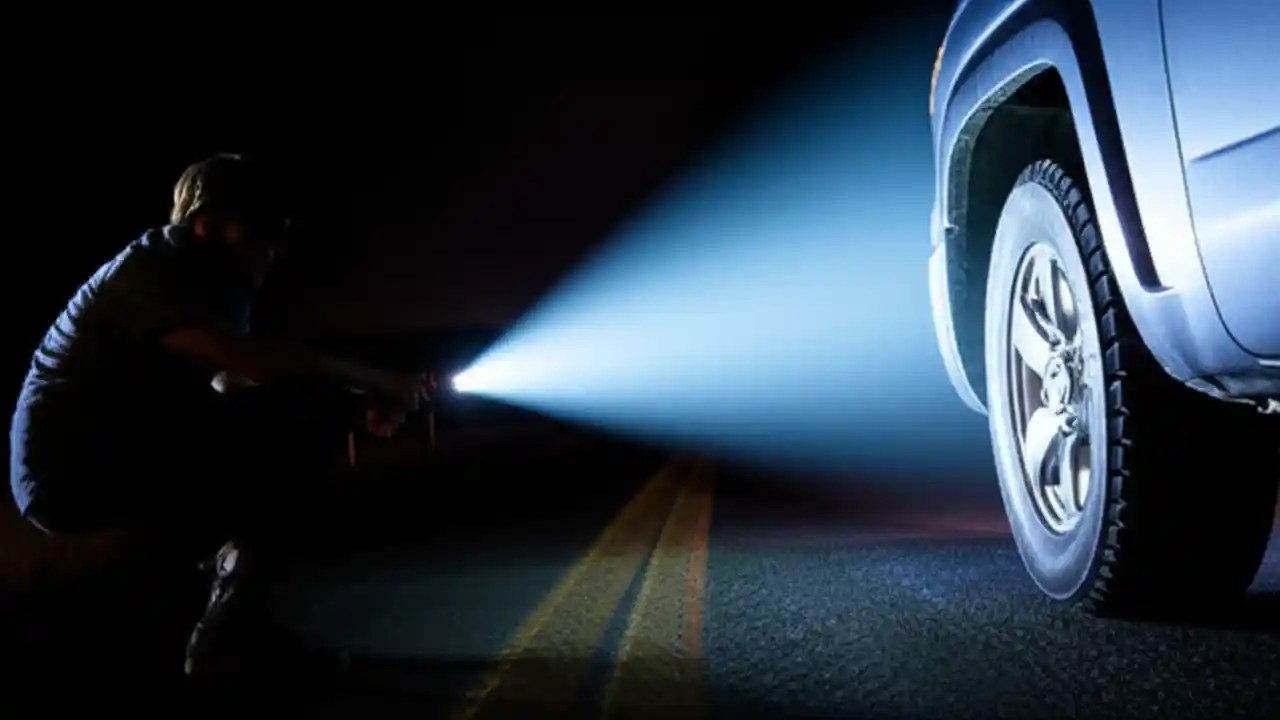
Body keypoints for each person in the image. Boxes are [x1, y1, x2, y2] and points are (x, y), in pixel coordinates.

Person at [8, 153, 426, 676]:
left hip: (115, 448)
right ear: (207, 226)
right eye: (263, 230)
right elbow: (254, 364)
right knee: (303, 412)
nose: (274, 249)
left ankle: (235, 617)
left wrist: (354, 406)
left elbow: (231, 382)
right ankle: (224, 634)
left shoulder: (208, 283)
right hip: (68, 470)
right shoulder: (154, 270)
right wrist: (380, 380)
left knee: (305, 411)